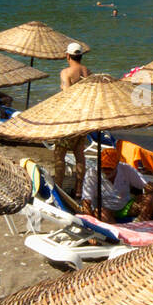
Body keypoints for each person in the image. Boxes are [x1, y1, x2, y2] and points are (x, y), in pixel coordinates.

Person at [53, 43, 91, 194]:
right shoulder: (87, 72)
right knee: (79, 154)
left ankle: (58, 187)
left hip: (69, 119)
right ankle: (79, 189)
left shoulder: (66, 72)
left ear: (67, 56)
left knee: (59, 155)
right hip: (83, 118)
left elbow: (67, 96)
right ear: (80, 56)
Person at [82, 146, 153, 222]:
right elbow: (86, 202)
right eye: (104, 168)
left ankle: (141, 223)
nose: (107, 171)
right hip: (104, 209)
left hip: (125, 206)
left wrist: (148, 196)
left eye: (110, 168)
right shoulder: (92, 173)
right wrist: (89, 221)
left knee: (149, 198)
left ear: (117, 165)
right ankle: (116, 229)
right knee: (101, 213)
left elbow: (150, 186)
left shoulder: (126, 169)